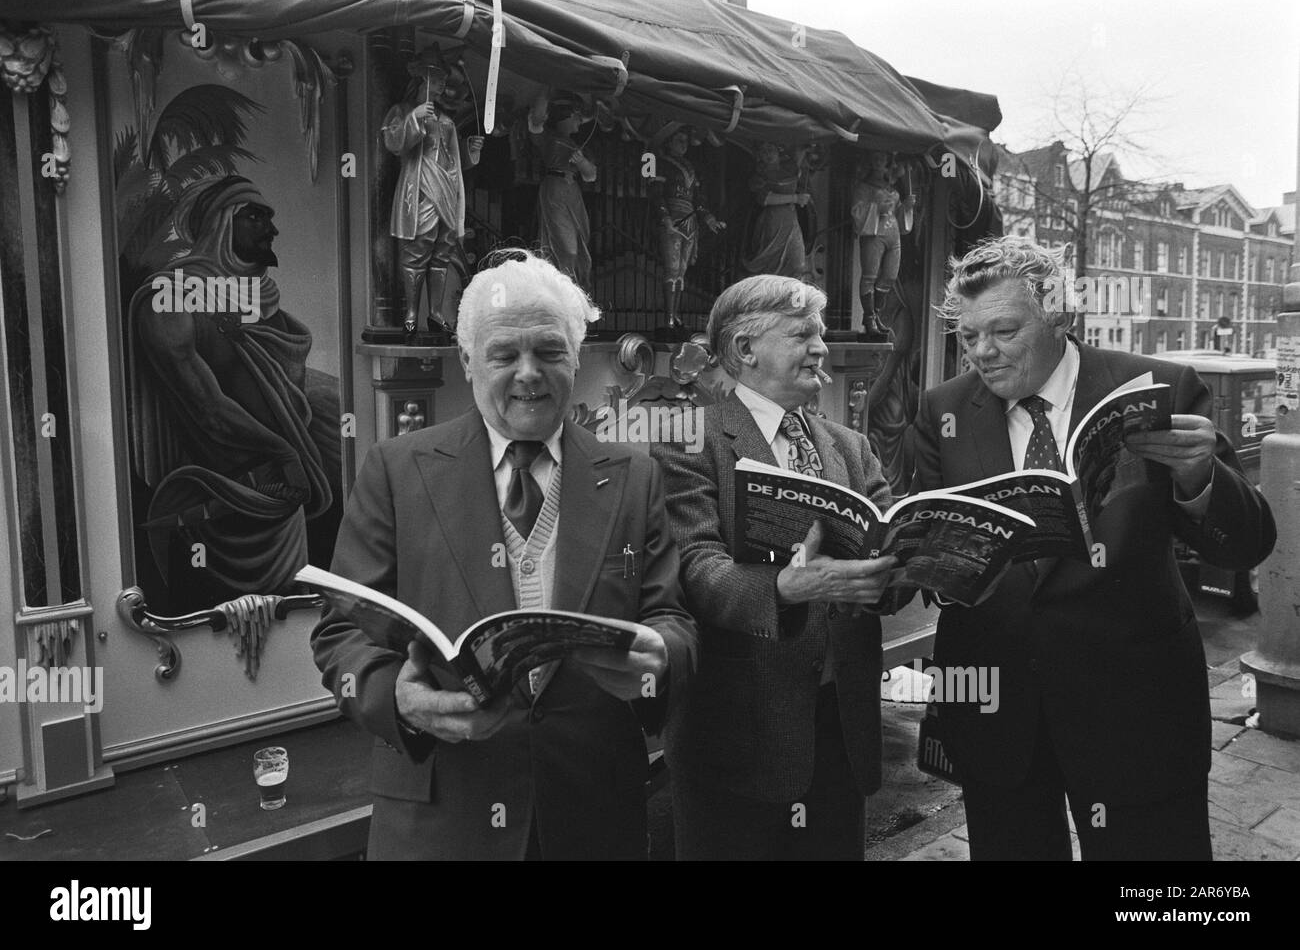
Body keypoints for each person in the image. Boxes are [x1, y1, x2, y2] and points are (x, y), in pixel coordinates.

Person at [311, 250, 697, 860]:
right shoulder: (396, 470)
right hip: (445, 818)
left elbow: (670, 616)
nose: (528, 374)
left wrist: (662, 658)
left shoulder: (634, 475)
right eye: (503, 355)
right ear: (468, 362)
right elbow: (340, 635)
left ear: (577, 355)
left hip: (594, 816)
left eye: (549, 351)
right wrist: (400, 701)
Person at [910, 236, 1277, 860]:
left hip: (1135, 709)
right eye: (967, 337)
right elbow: (929, 538)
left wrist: (1198, 479)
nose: (983, 354)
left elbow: (1245, 545)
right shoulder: (943, 409)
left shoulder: (1158, 387)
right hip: (998, 709)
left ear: (1058, 316)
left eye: (1002, 330)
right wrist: (929, 565)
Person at [651, 275, 898, 860]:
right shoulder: (690, 440)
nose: (821, 348)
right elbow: (694, 566)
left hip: (841, 726)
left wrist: (916, 565)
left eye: (821, 334)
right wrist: (781, 590)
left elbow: (891, 546)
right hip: (736, 736)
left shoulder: (851, 446)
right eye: (802, 335)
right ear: (743, 350)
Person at [130, 173, 339, 604]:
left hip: (285, 492)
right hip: (223, 496)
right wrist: (284, 452)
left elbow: (273, 383)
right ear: (223, 224)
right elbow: (207, 407)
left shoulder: (247, 298)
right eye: (256, 217)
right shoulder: (168, 298)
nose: (272, 230)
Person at [382, 45, 483, 342]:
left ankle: (436, 313)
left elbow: (453, 164)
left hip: (446, 195)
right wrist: (413, 117)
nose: (441, 86)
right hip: (420, 191)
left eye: (441, 80)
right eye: (437, 79)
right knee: (417, 251)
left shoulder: (447, 121)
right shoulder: (402, 110)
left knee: (442, 253)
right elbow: (393, 142)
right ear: (423, 80)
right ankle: (411, 314)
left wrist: (469, 152)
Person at [649, 126, 724, 334]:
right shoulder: (658, 162)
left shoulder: (691, 167)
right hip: (672, 218)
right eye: (679, 140)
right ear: (669, 142)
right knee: (672, 269)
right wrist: (664, 218)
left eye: (685, 140)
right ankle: (669, 318)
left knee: (681, 271)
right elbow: (655, 193)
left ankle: (676, 315)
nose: (683, 144)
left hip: (690, 220)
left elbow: (698, 200)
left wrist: (708, 217)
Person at [527, 94, 597, 289]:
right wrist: (543, 91)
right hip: (555, 188)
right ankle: (564, 286)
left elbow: (591, 175)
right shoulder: (549, 138)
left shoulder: (577, 145)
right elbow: (536, 122)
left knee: (577, 240)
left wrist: (581, 162)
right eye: (577, 117)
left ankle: (571, 285)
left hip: (572, 192)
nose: (579, 122)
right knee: (567, 247)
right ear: (567, 117)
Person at [851, 151, 913, 341]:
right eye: (875, 158)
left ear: (887, 162)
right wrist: (876, 208)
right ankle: (869, 318)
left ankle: (876, 314)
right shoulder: (863, 186)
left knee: (889, 276)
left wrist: (907, 207)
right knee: (870, 276)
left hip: (893, 234)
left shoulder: (891, 187)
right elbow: (856, 211)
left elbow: (900, 215)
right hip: (874, 233)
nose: (879, 162)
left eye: (882, 158)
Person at [742, 141, 809, 279]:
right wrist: (795, 198)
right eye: (764, 150)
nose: (767, 153)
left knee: (798, 264)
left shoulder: (789, 169)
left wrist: (808, 146)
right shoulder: (759, 176)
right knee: (772, 264)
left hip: (791, 219)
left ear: (778, 151)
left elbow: (799, 156)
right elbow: (766, 199)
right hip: (773, 221)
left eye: (770, 149)